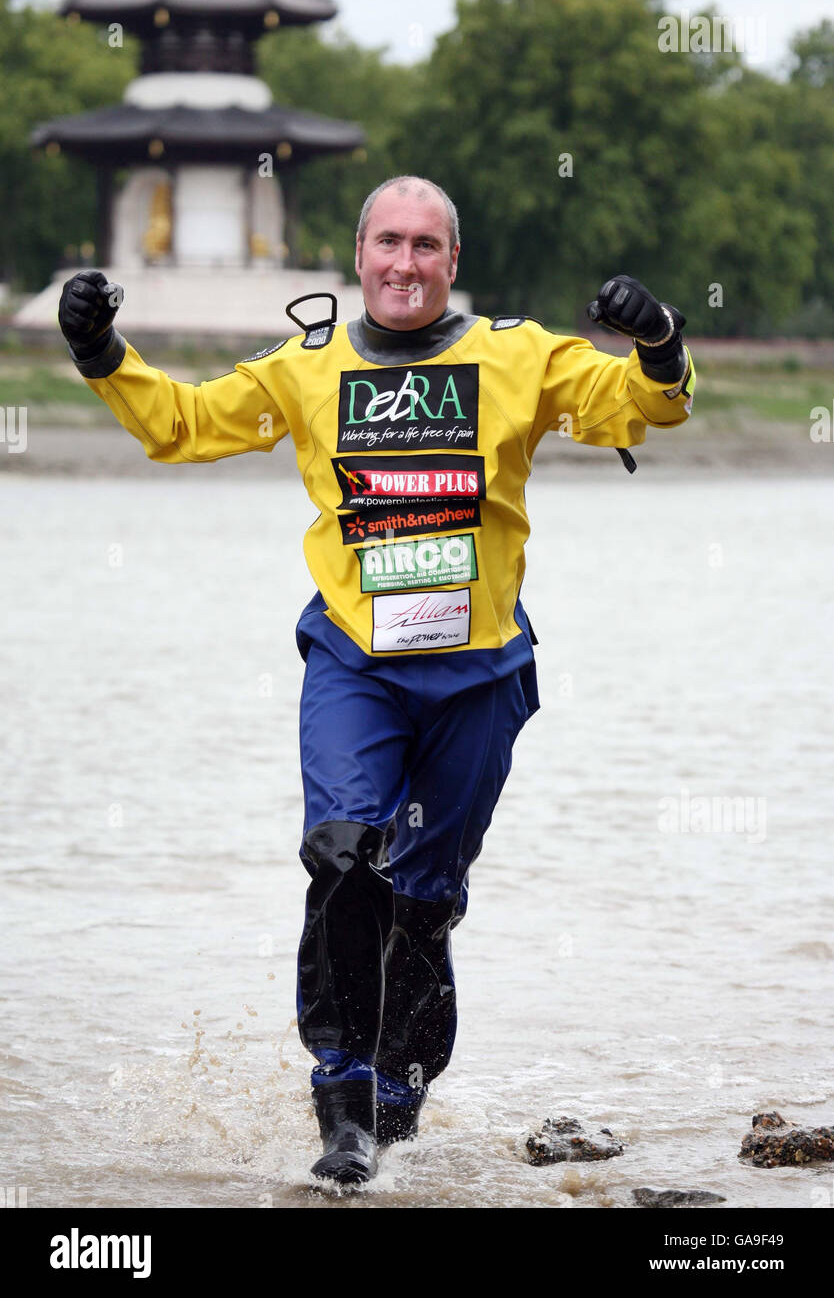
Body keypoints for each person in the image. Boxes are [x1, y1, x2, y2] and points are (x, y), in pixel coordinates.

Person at [58, 174, 695, 1187]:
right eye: (388, 243)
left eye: (427, 247)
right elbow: (181, 424)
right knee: (345, 855)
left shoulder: (518, 356)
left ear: (454, 263)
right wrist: (101, 353)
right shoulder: (308, 365)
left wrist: (658, 339)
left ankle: (400, 1102)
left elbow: (644, 407)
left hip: (479, 674)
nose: (405, 264)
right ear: (358, 258)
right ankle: (343, 1105)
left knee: (425, 901)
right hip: (356, 662)